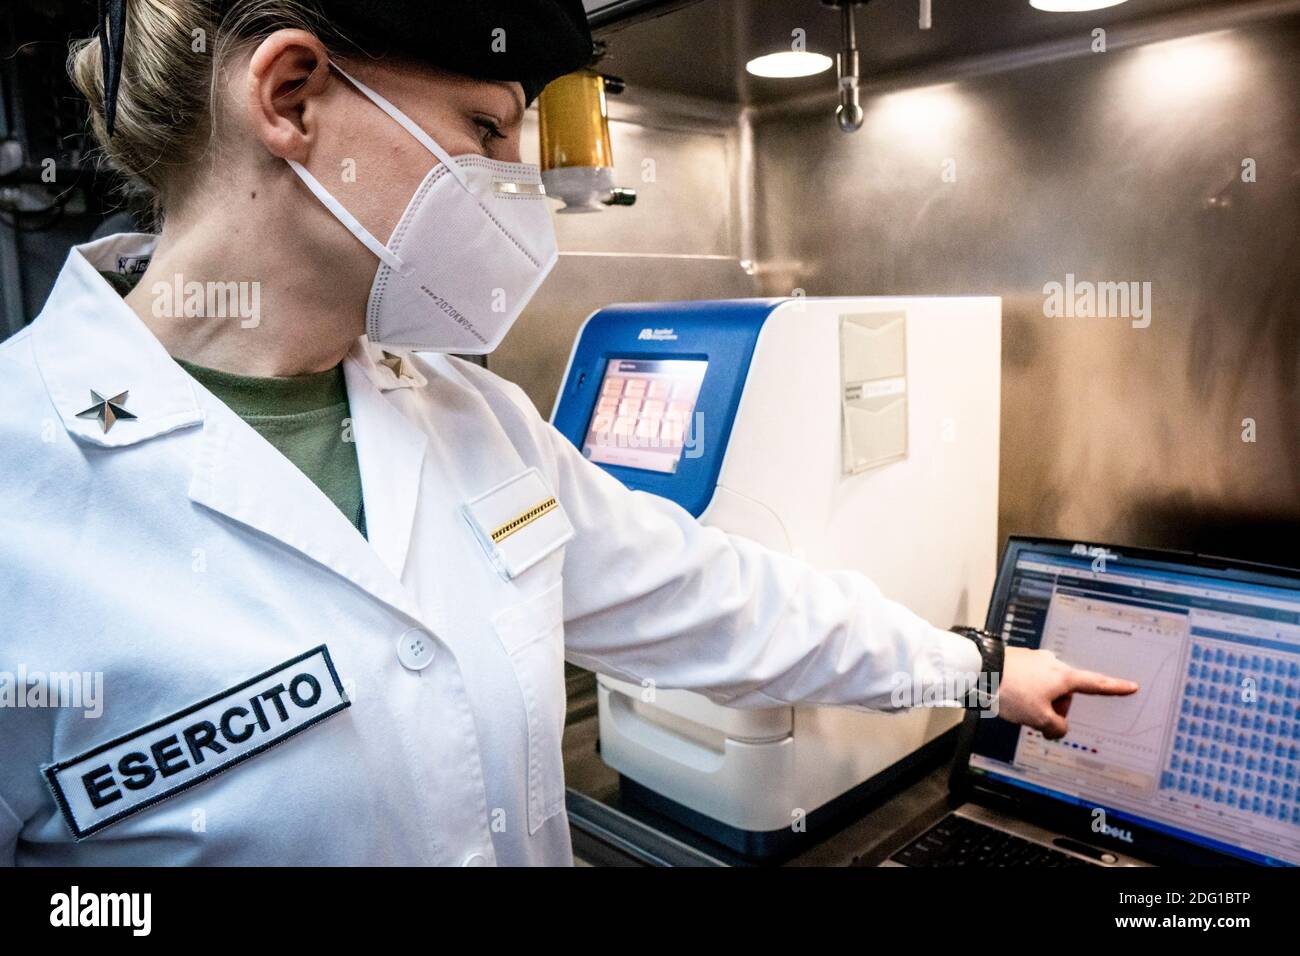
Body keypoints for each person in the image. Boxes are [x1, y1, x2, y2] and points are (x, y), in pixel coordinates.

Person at [0, 0, 1137, 865]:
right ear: (294, 96)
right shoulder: (22, 493)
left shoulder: (470, 416)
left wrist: (974, 666)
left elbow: (711, 599)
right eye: (487, 130)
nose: (514, 187)